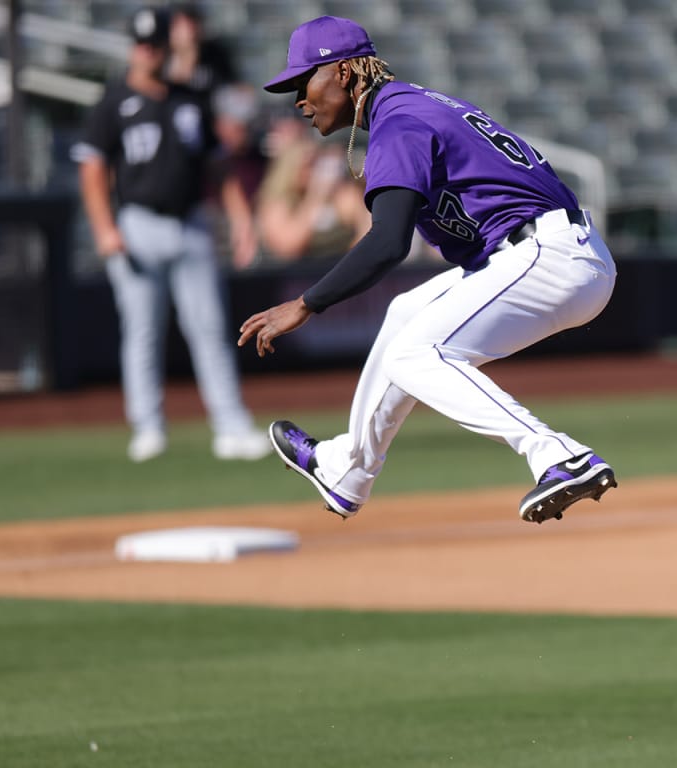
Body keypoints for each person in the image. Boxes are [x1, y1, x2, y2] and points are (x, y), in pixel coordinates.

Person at [238, 16, 618, 524]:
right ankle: (347, 469)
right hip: (551, 251)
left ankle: (558, 455)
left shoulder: (398, 122)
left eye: (304, 81)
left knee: (415, 355)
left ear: (345, 72)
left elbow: (387, 242)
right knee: (404, 312)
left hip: (545, 255)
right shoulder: (413, 105)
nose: (298, 99)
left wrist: (306, 304)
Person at [72, 6, 270, 463]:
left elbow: (219, 166)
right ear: (132, 48)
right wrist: (104, 229)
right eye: (141, 45)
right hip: (138, 225)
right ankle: (147, 427)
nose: (148, 53)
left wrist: (240, 220)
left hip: (192, 222)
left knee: (211, 329)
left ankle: (231, 427)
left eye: (154, 44)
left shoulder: (188, 98)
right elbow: (93, 170)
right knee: (142, 331)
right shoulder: (113, 102)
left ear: (165, 47)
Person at [254, 129, 373, 262]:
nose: (315, 170)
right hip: (292, 277)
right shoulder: (277, 202)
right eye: (309, 165)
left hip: (335, 269)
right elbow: (289, 247)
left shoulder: (340, 196)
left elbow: (367, 233)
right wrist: (315, 196)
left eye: (318, 162)